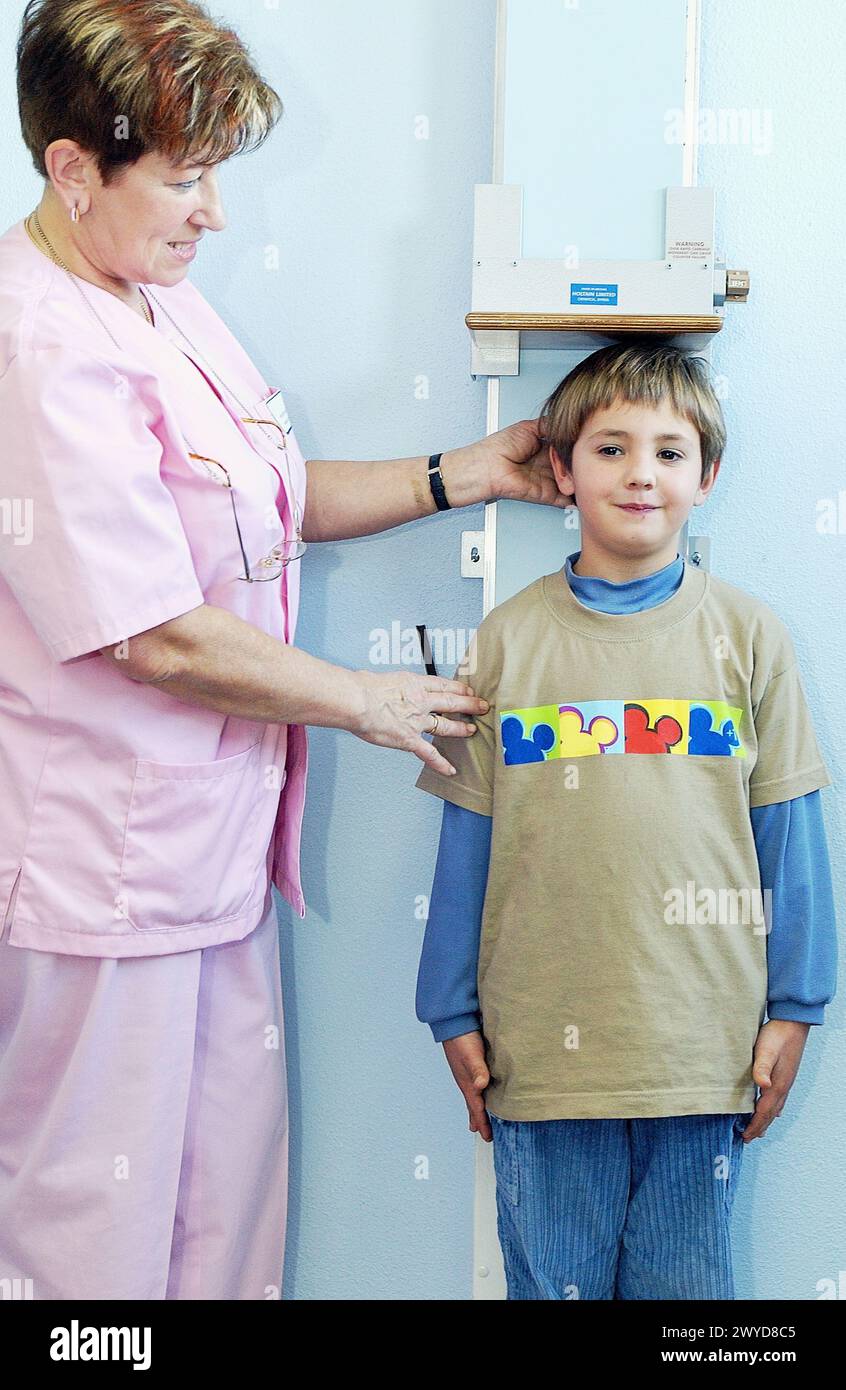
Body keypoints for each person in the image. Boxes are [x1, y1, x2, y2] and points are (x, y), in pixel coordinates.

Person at [0, 0, 566, 1301]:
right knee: (92, 1244)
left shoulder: (154, 302)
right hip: (104, 876)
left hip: (206, 854)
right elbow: (152, 629)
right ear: (72, 169)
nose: (215, 214)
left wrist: (461, 472)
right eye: (187, 178)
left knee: (221, 1226)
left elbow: (260, 496)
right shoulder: (40, 347)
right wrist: (362, 700)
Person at [414, 341, 838, 1300]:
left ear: (707, 476)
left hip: (703, 1054)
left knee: (689, 1304)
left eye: (669, 451)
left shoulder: (750, 637)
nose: (640, 472)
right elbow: (466, 843)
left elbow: (791, 836)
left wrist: (797, 1008)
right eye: (609, 449)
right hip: (541, 1060)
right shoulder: (509, 639)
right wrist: (449, 1008)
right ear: (561, 471)